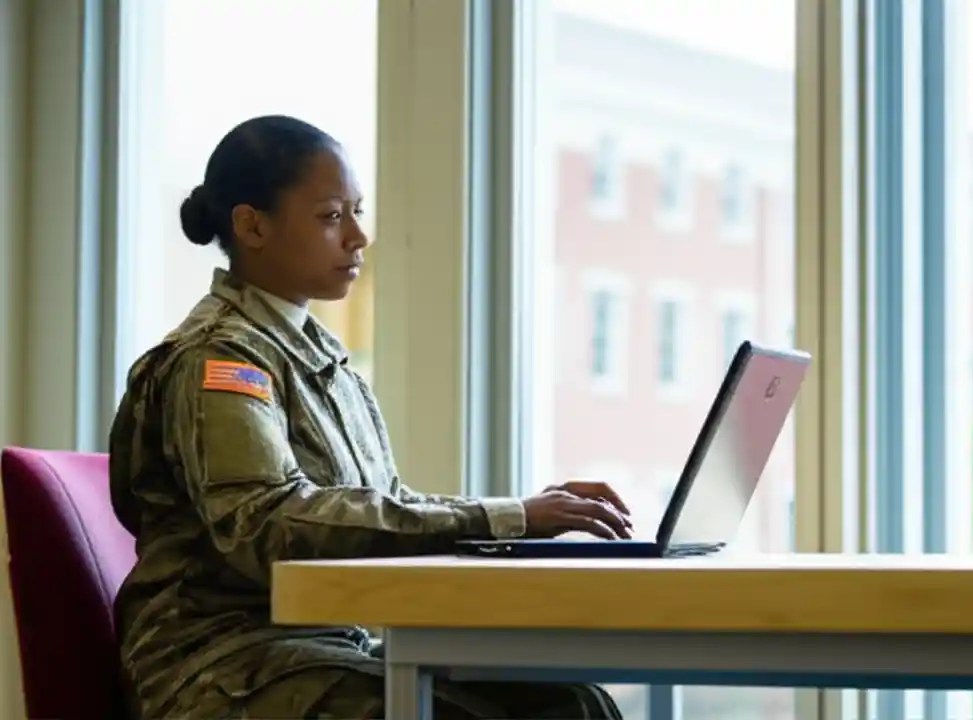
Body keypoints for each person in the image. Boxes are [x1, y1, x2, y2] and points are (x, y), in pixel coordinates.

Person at [109, 115, 632, 719]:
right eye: (332, 216)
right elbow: (267, 523)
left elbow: (381, 502)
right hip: (221, 670)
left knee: (575, 705)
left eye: (357, 211)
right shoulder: (221, 358)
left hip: (320, 652)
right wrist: (506, 519)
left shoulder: (319, 358)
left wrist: (524, 516)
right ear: (252, 225)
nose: (358, 237)